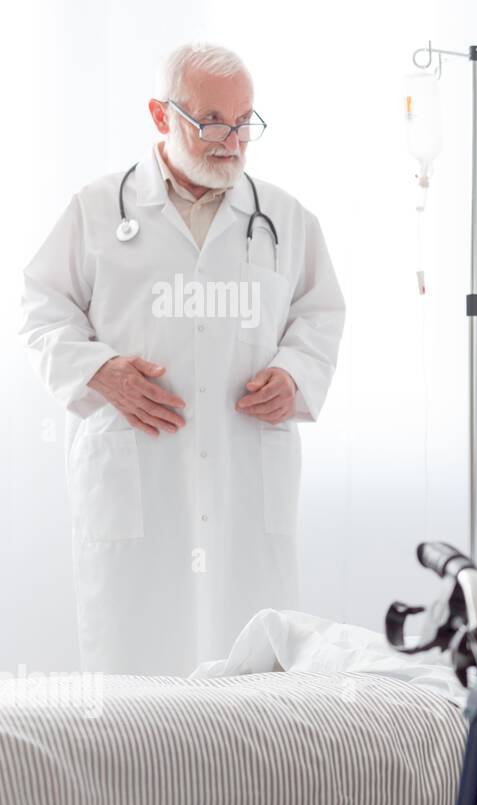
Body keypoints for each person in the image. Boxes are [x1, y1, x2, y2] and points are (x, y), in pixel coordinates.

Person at [19, 43, 345, 675]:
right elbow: (42, 309)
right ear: (159, 114)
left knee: (250, 687)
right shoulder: (95, 209)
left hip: (243, 478)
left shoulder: (284, 217)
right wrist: (98, 371)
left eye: (245, 121)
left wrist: (296, 373)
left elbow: (321, 312)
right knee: (137, 691)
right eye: (212, 121)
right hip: (138, 479)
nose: (233, 140)